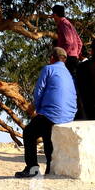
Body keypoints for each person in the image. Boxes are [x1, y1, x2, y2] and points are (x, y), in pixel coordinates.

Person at [16, 47, 77, 177]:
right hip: (69, 115)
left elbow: (38, 92)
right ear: (64, 60)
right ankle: (50, 167)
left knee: (29, 132)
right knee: (46, 130)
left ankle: (32, 168)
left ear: (52, 58)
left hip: (52, 114)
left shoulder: (48, 69)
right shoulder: (68, 74)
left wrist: (38, 109)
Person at [51, 5, 83, 73]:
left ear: (55, 14)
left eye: (53, 14)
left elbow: (69, 42)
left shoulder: (63, 24)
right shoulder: (69, 24)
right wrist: (76, 55)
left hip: (68, 59)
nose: (52, 17)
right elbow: (80, 43)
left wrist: (62, 56)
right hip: (73, 58)